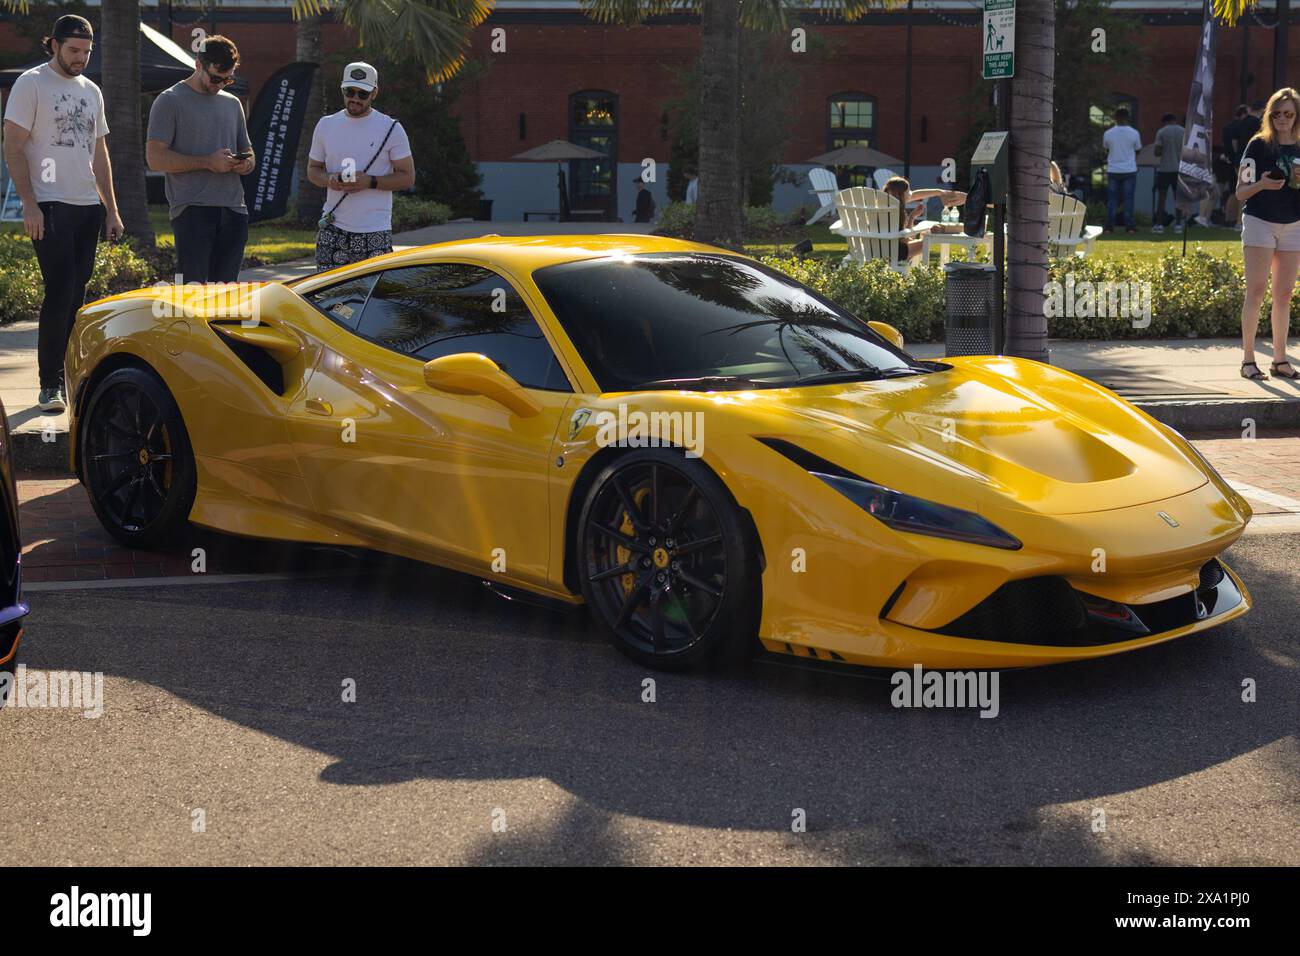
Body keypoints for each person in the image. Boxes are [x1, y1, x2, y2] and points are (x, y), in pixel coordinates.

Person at [2, 15, 124, 413]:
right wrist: (30, 204)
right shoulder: (32, 83)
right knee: (61, 289)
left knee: (77, 293)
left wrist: (111, 209)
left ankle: (71, 374)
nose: (81, 58)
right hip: (50, 203)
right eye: (73, 50)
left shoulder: (91, 90)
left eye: (87, 52)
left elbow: (100, 152)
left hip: (88, 205)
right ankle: (49, 383)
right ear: (52, 44)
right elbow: (13, 144)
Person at [145, 35, 253, 283]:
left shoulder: (232, 103)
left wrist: (244, 163)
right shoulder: (169, 100)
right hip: (192, 210)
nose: (220, 85)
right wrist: (207, 161)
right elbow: (154, 158)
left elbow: (249, 152)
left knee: (225, 298)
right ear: (198, 65)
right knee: (191, 295)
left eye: (228, 79)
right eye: (215, 78)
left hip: (234, 210)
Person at [306, 63, 414, 270]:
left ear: (374, 93)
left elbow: (408, 177)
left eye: (362, 93)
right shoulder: (326, 125)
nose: (354, 98)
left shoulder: (391, 128)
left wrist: (369, 181)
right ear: (342, 89)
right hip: (332, 227)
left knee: (370, 298)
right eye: (349, 91)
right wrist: (331, 180)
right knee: (327, 298)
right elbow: (313, 169)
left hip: (374, 230)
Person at [1235, 87, 1300, 381]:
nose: (1282, 119)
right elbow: (1240, 192)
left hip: (1294, 225)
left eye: (1288, 113)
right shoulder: (1258, 146)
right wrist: (1261, 184)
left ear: (1296, 116)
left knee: (1284, 294)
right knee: (1256, 290)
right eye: (1277, 113)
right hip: (1260, 220)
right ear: (1270, 115)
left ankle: (1279, 359)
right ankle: (1248, 360)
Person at [881, 176, 965, 265]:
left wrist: (912, 217)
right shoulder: (896, 213)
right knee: (929, 240)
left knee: (925, 237)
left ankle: (914, 266)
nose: (911, 193)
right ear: (901, 194)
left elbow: (904, 237)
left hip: (878, 250)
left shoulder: (881, 207)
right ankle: (930, 269)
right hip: (895, 252)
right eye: (909, 191)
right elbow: (905, 239)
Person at [1102, 107, 1142, 234]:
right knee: (1128, 199)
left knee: (1112, 199)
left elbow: (1106, 149)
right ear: (1127, 117)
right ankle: (1129, 226)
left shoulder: (1108, 133)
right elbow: (1138, 150)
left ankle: (1109, 227)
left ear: (1115, 117)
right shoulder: (1134, 133)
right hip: (1129, 169)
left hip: (1113, 169)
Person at [1152, 113, 1185, 234]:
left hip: (1164, 169)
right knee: (1178, 198)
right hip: (1179, 169)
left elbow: (1157, 152)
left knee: (1162, 197)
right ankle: (1178, 225)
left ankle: (1159, 225)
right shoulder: (1183, 131)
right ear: (1174, 120)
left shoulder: (1161, 132)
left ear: (1165, 121)